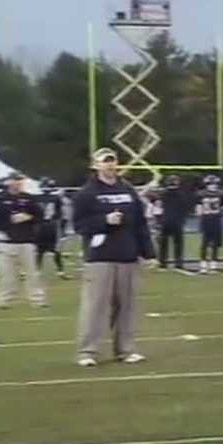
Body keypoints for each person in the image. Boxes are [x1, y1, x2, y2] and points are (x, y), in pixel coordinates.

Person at [73, 147, 155, 367]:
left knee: (127, 306)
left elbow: (141, 224)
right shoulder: (86, 193)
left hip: (127, 256)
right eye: (105, 161)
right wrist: (105, 221)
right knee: (95, 306)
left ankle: (125, 349)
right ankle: (88, 351)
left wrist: (148, 252)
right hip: (100, 257)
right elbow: (79, 226)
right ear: (95, 165)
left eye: (112, 161)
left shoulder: (128, 190)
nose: (110, 165)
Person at [0, 171, 46, 308]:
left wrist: (29, 217)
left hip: (27, 240)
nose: (18, 183)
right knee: (7, 275)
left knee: (32, 273)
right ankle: (5, 300)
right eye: (15, 180)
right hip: (6, 242)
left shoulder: (29, 198)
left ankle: (37, 300)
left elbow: (40, 216)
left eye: (20, 180)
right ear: (8, 182)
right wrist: (8, 220)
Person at [35, 178, 69, 280]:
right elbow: (60, 214)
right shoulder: (55, 198)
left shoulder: (37, 198)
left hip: (42, 225)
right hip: (51, 225)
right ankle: (60, 271)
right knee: (55, 250)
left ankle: (38, 271)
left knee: (40, 250)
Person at [195, 174, 223, 274]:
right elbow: (198, 209)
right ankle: (204, 264)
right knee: (205, 243)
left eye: (214, 184)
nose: (213, 186)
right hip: (209, 219)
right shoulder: (218, 194)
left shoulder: (218, 194)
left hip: (213, 219)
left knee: (214, 243)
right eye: (211, 184)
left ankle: (212, 264)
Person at [157, 174, 192, 271]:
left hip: (165, 220)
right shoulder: (182, 195)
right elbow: (185, 209)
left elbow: (159, 207)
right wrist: (183, 219)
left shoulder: (163, 194)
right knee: (178, 243)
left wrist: (159, 221)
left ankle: (162, 263)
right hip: (177, 221)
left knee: (164, 244)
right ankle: (178, 263)